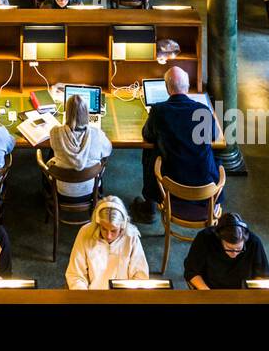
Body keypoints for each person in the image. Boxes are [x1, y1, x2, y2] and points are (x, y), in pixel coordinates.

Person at [132, 66, 218, 224]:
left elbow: (147, 135)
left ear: (167, 88)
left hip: (170, 185)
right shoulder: (203, 111)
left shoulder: (159, 111)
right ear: (188, 86)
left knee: (150, 151)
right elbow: (214, 137)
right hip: (205, 187)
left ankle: (149, 204)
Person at [66, 196, 150, 289]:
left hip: (123, 295)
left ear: (122, 225)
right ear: (98, 222)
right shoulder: (85, 232)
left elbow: (140, 276)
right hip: (92, 296)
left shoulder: (131, 237)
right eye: (104, 229)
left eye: (114, 230)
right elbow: (75, 274)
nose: (109, 236)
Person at [47, 92, 111, 201]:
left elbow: (53, 147)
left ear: (67, 112)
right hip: (90, 189)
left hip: (61, 190)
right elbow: (108, 151)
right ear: (86, 113)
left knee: (50, 155)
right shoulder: (97, 134)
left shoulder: (55, 133)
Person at [183, 213, 269, 289]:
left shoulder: (254, 242)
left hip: (242, 290)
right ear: (219, 238)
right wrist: (207, 293)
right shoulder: (204, 238)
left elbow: (263, 275)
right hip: (210, 287)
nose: (234, 253)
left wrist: (250, 294)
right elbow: (191, 271)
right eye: (229, 248)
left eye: (239, 249)